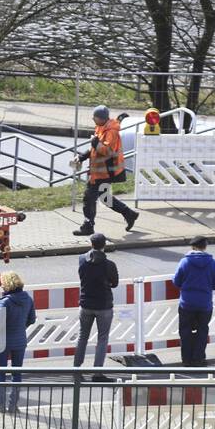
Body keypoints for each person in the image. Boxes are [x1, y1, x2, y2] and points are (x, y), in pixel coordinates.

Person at [73, 104, 139, 236]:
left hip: (104, 172)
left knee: (88, 198)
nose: (93, 119)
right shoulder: (102, 127)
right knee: (104, 198)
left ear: (102, 118)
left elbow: (107, 151)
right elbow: (95, 148)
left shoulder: (111, 132)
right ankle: (129, 214)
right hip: (99, 171)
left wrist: (95, 143)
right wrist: (82, 156)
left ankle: (88, 226)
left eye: (95, 117)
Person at [173, 236, 215, 367]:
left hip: (187, 303)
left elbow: (176, 281)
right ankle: (198, 359)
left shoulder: (185, 262)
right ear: (205, 246)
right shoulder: (213, 263)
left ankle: (186, 359)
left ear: (192, 247)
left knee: (185, 331)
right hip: (204, 304)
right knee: (202, 330)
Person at [74, 232, 118, 381]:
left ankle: (77, 370)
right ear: (104, 245)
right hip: (104, 306)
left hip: (85, 304)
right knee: (102, 338)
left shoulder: (82, 260)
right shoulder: (109, 265)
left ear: (91, 244)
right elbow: (115, 283)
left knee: (82, 337)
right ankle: (97, 372)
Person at [0, 271, 35, 411]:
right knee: (16, 374)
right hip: (20, 341)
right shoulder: (28, 299)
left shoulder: (5, 302)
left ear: (7, 285)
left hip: (3, 342)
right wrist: (20, 327)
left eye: (2, 284)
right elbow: (32, 319)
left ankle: (1, 405)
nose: (1, 286)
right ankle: (13, 405)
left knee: (0, 373)